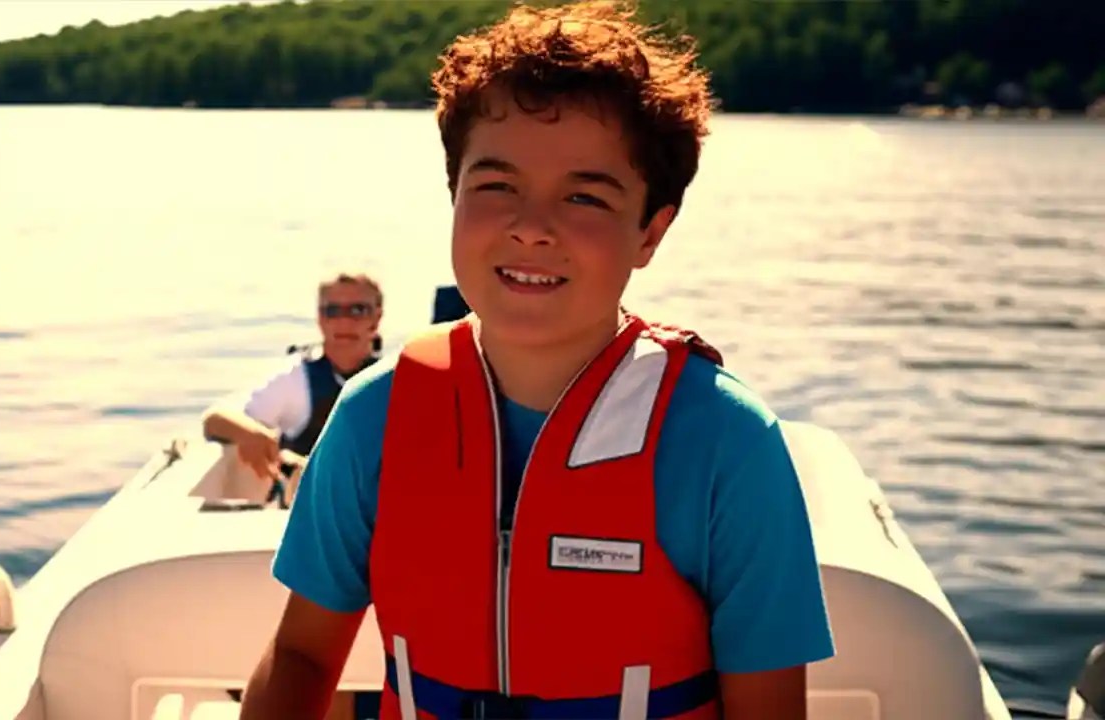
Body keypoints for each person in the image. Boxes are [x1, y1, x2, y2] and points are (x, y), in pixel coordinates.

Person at [240, 2, 834, 719]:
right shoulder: (375, 418)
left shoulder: (725, 443)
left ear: (651, 231)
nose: (531, 227)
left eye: (584, 196)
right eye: (497, 186)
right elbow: (303, 652)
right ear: (453, 195)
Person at [202, 271, 383, 483]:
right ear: (320, 319)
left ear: (376, 318)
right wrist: (253, 434)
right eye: (333, 311)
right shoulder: (295, 378)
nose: (344, 322)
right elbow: (215, 420)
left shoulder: (393, 379)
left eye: (357, 310)